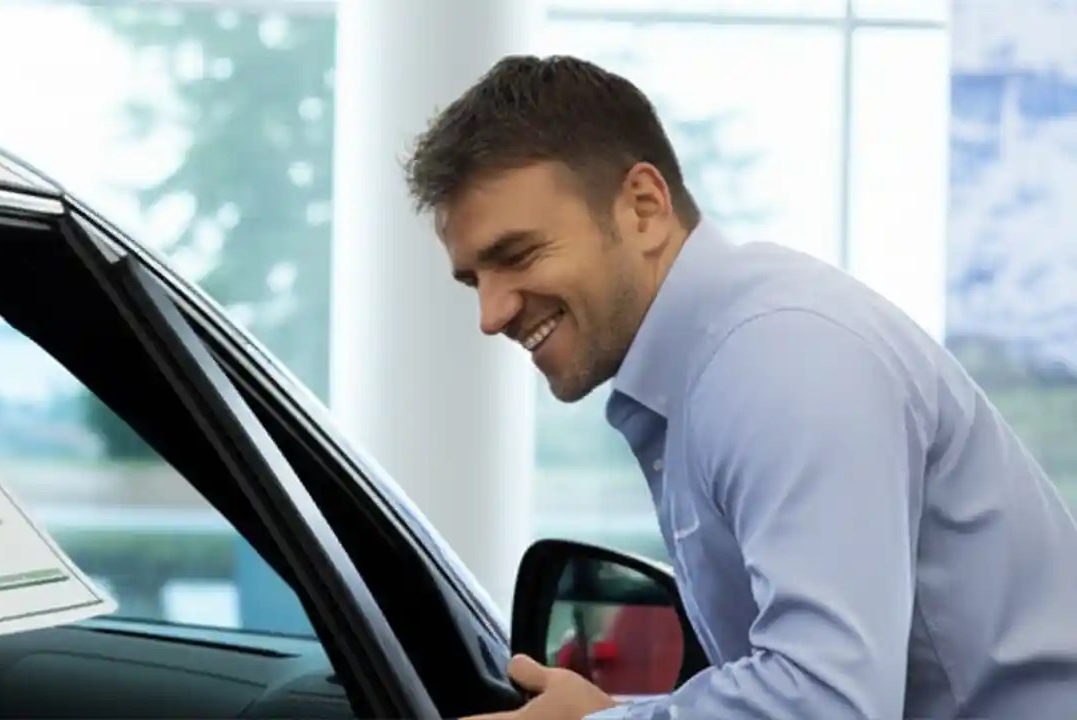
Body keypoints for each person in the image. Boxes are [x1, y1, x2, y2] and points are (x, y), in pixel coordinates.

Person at [402, 54, 1077, 719]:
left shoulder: (780, 356)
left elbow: (828, 702)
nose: (490, 316)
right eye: (473, 281)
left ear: (643, 208)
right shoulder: (718, 363)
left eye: (517, 256)